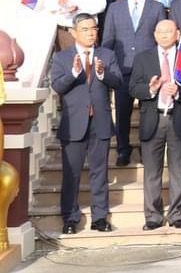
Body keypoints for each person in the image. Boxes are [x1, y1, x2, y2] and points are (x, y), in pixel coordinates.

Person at [50, 14, 122, 235]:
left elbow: (118, 81)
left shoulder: (107, 55)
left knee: (99, 173)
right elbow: (58, 86)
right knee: (71, 173)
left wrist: (102, 74)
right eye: (85, 29)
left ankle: (99, 217)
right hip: (74, 124)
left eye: (94, 29)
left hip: (100, 122)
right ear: (73, 32)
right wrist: (73, 73)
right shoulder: (62, 58)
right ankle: (70, 218)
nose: (91, 33)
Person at [129, 20, 181, 230]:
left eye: (169, 31)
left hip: (178, 117)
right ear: (154, 35)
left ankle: (177, 215)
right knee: (152, 172)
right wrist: (151, 89)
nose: (164, 35)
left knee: (179, 170)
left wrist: (180, 92)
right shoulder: (143, 58)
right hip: (153, 118)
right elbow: (132, 88)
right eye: (160, 31)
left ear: (177, 33)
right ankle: (153, 216)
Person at [101, 0, 165, 167]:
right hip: (122, 69)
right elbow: (108, 39)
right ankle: (123, 150)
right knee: (122, 112)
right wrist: (107, 67)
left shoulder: (157, 7)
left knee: (149, 112)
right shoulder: (115, 8)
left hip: (149, 70)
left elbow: (162, 38)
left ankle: (146, 149)